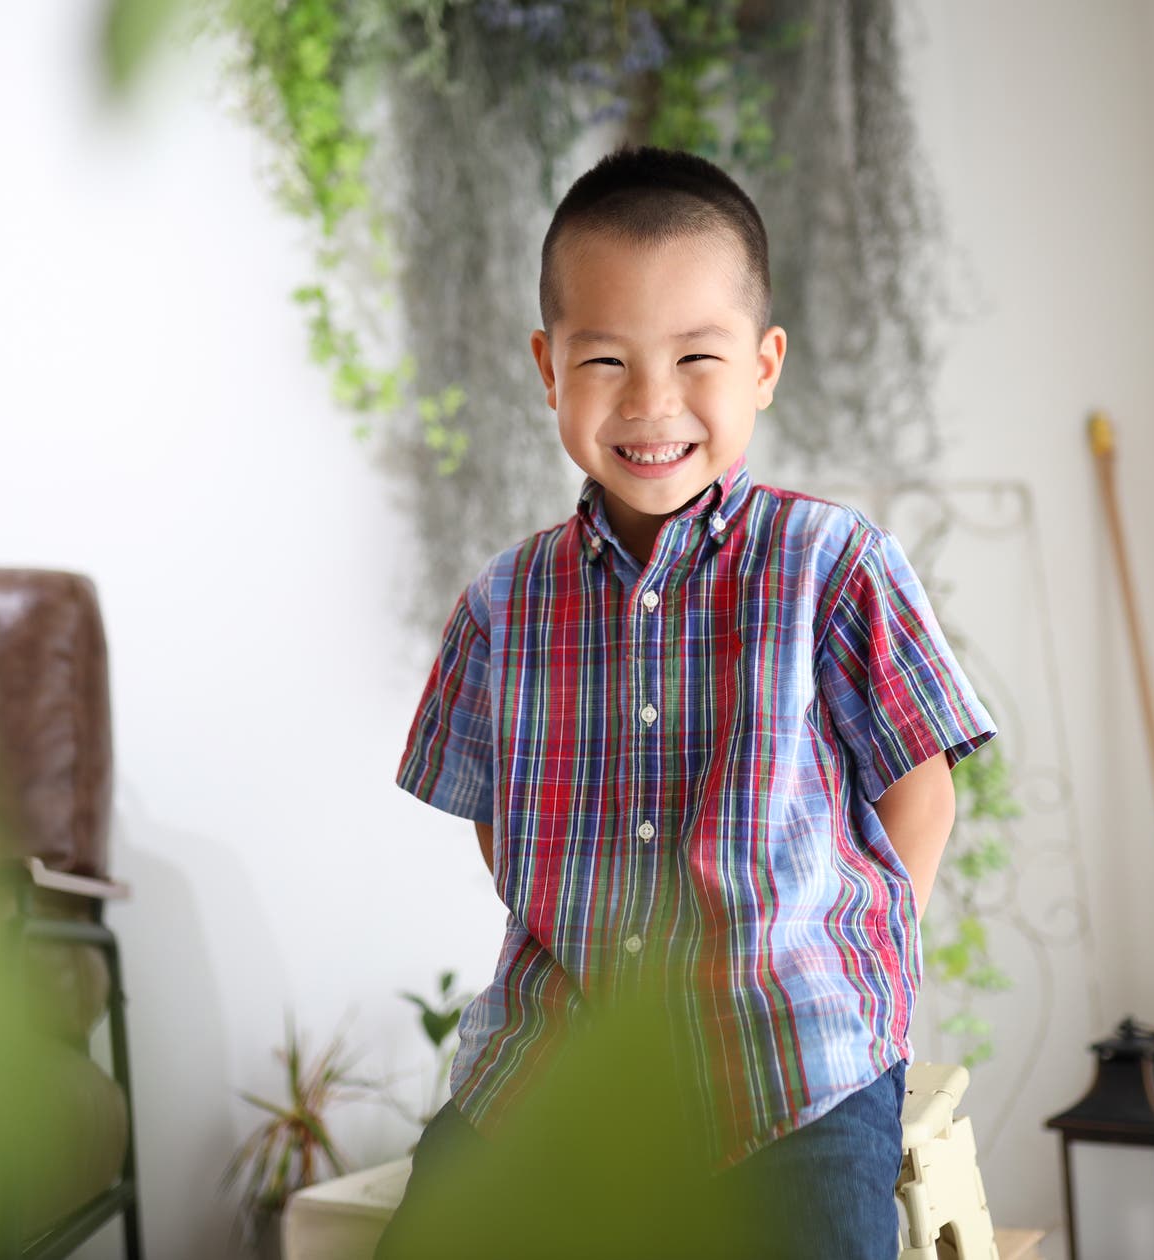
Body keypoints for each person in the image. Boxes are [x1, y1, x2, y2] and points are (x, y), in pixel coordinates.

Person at [378, 145, 998, 1259]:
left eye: (696, 357)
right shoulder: (502, 602)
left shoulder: (830, 561)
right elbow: (490, 812)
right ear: (546, 365)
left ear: (762, 364)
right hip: (561, 1053)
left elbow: (921, 790)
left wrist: (845, 959)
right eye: (604, 359)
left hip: (792, 1051)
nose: (651, 402)